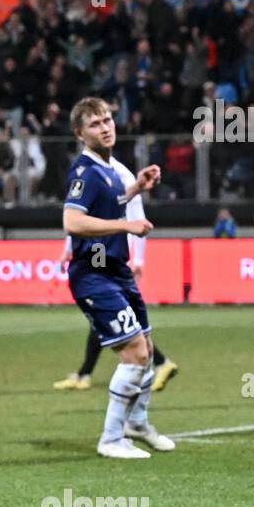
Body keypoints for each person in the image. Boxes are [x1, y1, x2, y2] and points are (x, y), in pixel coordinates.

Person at [62, 97, 174, 459]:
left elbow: (108, 203)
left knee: (147, 348)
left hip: (116, 270)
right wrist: (126, 224)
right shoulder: (85, 172)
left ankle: (137, 423)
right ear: (81, 134)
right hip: (93, 275)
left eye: (108, 119)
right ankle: (111, 439)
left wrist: (135, 189)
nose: (105, 127)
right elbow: (73, 221)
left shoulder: (111, 171)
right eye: (95, 124)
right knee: (136, 353)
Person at [52, 154, 179, 392]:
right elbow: (86, 216)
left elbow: (135, 213)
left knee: (103, 302)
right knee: (104, 309)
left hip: (106, 248)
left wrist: (138, 258)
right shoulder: (94, 169)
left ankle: (158, 362)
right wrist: (68, 249)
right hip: (103, 246)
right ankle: (85, 374)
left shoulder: (117, 172)